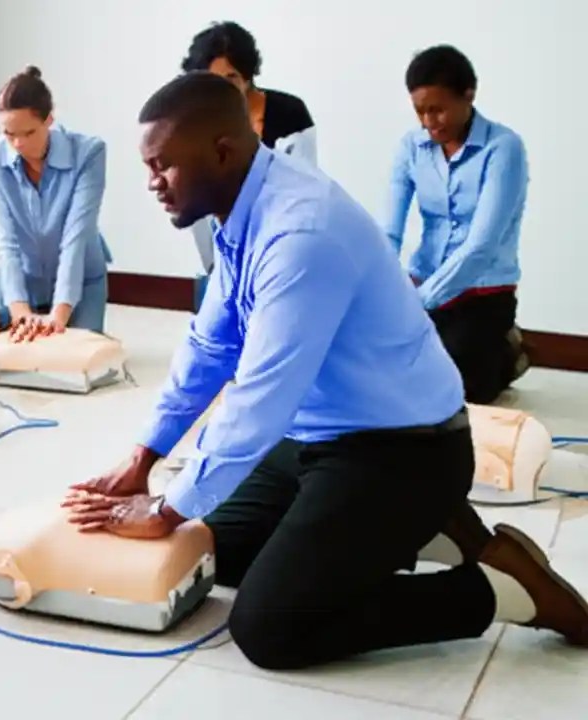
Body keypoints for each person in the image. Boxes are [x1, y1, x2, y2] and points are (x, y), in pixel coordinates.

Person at [63, 72, 587, 671]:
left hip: (404, 451)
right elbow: (210, 346)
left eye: (163, 166)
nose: (153, 184)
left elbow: (261, 398)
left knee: (269, 626)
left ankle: (499, 588)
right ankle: (426, 534)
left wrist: (163, 511)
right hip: (317, 437)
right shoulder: (241, 209)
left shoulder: (300, 233)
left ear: (222, 151)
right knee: (212, 552)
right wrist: (142, 461)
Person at [384, 45, 530, 404]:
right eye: (420, 111)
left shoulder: (503, 148)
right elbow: (390, 231)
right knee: (385, 372)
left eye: (438, 110)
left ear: (469, 95)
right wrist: (383, 286)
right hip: (423, 281)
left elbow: (481, 246)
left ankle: (507, 352)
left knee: (454, 388)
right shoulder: (412, 146)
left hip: (481, 292)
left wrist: (420, 303)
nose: (428, 122)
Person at [0, 66, 113, 341]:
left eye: (28, 133)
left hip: (81, 276)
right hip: (19, 274)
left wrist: (59, 316)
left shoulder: (89, 152)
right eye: (8, 133)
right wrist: (20, 311)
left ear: (49, 119)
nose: (17, 143)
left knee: (75, 351)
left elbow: (76, 239)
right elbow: (6, 240)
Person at [181, 21, 317, 277]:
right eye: (213, 80)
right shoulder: (199, 120)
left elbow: (303, 191)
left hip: (280, 248)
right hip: (222, 257)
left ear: (248, 74)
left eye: (231, 78)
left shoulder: (290, 113)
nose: (223, 89)